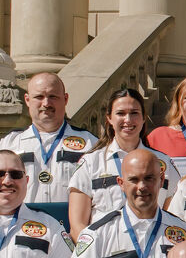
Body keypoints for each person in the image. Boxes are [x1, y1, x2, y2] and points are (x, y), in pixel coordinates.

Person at [0, 72, 97, 231]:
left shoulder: (91, 144)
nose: (46, 103)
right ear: (27, 100)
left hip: (73, 234)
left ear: (66, 99)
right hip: (22, 236)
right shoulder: (8, 145)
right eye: (39, 97)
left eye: (53, 96)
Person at [67, 87, 176, 237]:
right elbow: (77, 225)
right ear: (109, 118)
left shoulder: (163, 163)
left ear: (144, 117)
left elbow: (175, 216)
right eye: (120, 113)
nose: (128, 120)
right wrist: (95, 254)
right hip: (106, 252)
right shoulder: (91, 162)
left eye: (134, 113)